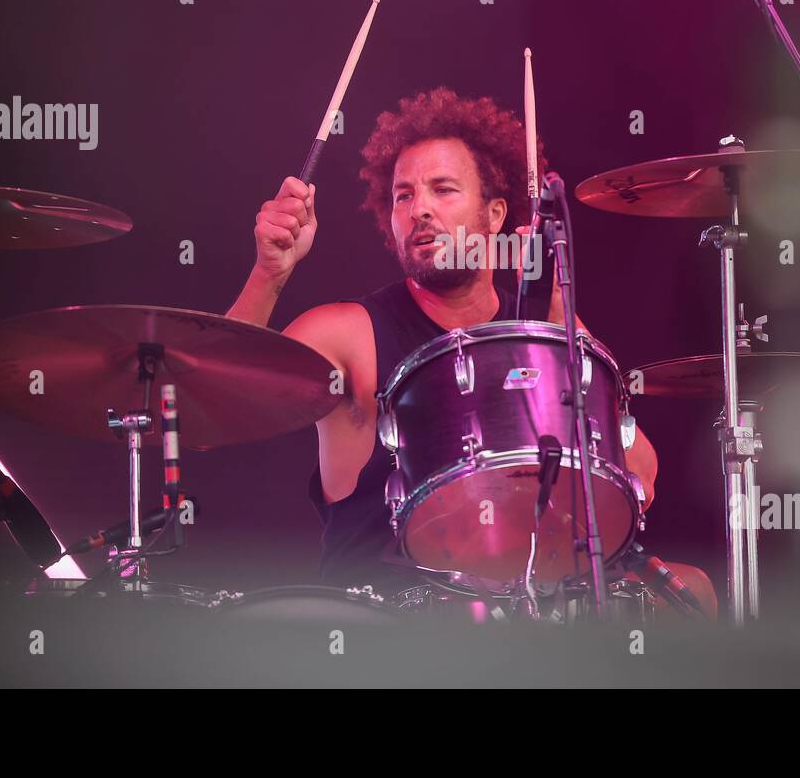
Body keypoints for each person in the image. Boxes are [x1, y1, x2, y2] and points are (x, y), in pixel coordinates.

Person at [225, 87, 662, 595]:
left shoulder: (537, 339)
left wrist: (559, 313)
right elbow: (219, 404)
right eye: (403, 195)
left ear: (495, 216)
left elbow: (641, 481)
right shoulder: (348, 334)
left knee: (688, 591)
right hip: (378, 625)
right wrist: (269, 274)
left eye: (443, 189)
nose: (420, 210)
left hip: (518, 618)